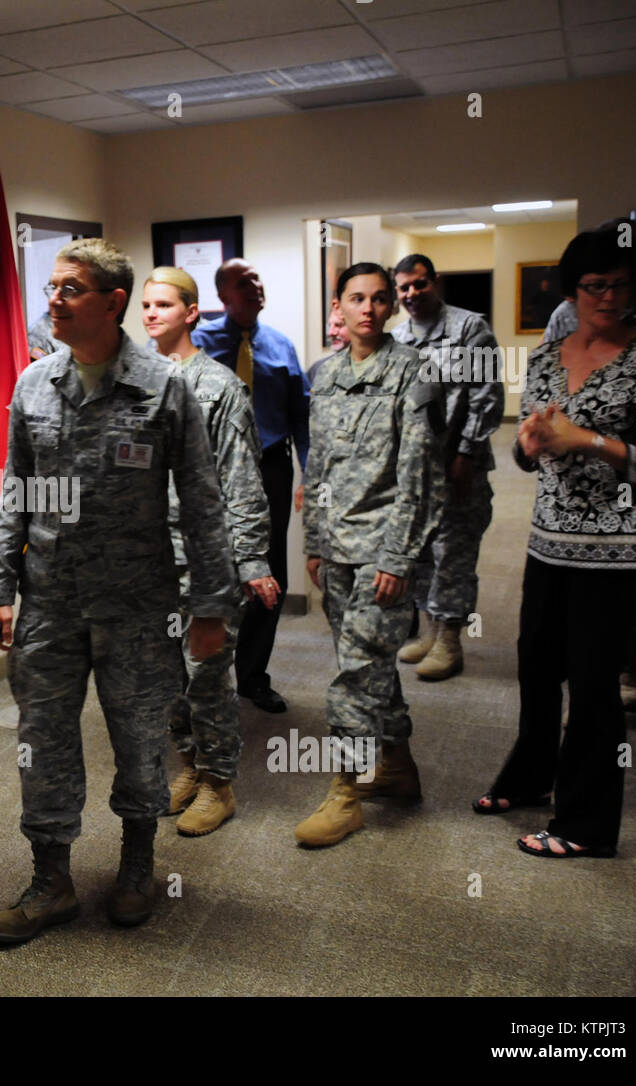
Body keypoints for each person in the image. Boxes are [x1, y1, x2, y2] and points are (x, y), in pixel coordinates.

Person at [0, 238, 237, 944]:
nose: (53, 301)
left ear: (113, 302)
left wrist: (212, 607)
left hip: (137, 605)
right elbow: (18, 496)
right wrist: (0, 586)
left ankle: (136, 865)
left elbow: (203, 502)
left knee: (140, 741)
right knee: (44, 742)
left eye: (70, 289)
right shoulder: (35, 385)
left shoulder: (163, 388)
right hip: (51, 604)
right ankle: (52, 879)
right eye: (52, 288)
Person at [473, 227, 636, 858]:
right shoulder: (545, 355)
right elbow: (528, 451)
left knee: (592, 689)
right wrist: (529, 446)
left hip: (614, 551)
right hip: (546, 543)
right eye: (595, 286)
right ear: (573, 291)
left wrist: (586, 440)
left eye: (620, 285)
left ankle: (585, 826)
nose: (609, 298)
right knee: (535, 670)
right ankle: (532, 779)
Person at [299, 262, 444, 847]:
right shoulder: (326, 374)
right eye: (356, 298)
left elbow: (419, 476)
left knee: (354, 677)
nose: (368, 309)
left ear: (391, 308)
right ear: (339, 306)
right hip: (335, 547)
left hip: (383, 549)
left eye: (380, 299)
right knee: (371, 663)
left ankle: (346, 793)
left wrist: (397, 558)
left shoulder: (413, 373)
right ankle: (399, 767)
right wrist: (312, 541)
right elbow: (316, 469)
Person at [142, 267, 278, 836]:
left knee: (208, 675)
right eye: (146, 305)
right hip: (150, 559)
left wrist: (250, 562)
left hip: (204, 560)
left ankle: (219, 784)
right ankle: (190, 767)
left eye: (165, 305)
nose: (151, 314)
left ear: (191, 313)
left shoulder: (218, 387)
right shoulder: (138, 381)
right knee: (167, 677)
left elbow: (244, 483)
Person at [192, 258, 308, 714]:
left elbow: (300, 414)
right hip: (211, 473)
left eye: (257, 279)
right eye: (244, 283)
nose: (255, 287)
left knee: (266, 573)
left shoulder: (280, 345)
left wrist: (309, 471)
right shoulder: (198, 344)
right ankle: (206, 679)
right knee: (212, 572)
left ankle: (254, 677)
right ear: (223, 296)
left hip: (270, 469)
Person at [391, 254, 505, 681]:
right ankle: (427, 630)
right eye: (403, 288)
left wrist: (466, 453)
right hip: (415, 469)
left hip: (460, 464)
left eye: (418, 285)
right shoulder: (398, 337)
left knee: (454, 551)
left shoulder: (469, 328)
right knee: (420, 550)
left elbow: (487, 395)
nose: (411, 294)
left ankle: (450, 640)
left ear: (434, 282)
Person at [295, 306, 350, 514]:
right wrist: (305, 479)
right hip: (326, 478)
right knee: (324, 529)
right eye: (330, 325)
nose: (331, 332)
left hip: (364, 477)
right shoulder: (318, 371)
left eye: (339, 325)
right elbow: (307, 431)